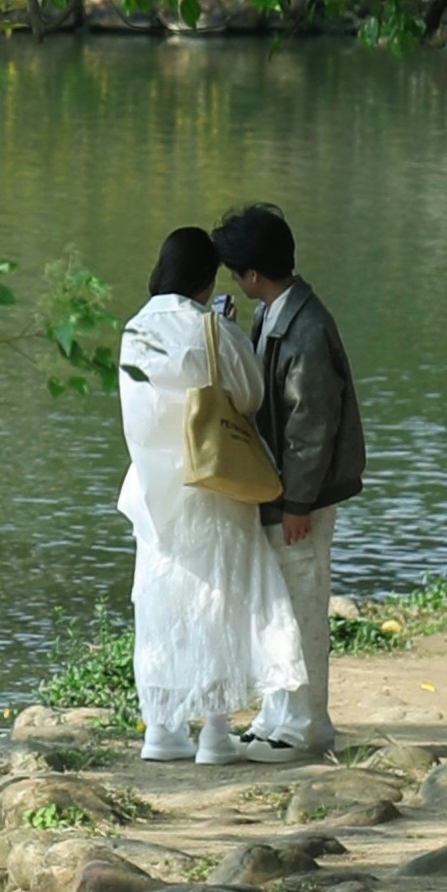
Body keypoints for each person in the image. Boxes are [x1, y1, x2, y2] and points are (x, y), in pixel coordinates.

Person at [112, 223, 267, 764]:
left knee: (160, 604)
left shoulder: (135, 330)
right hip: (211, 484)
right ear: (206, 280)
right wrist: (227, 334)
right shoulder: (212, 331)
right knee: (215, 601)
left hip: (153, 489)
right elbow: (249, 396)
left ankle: (160, 729)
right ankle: (216, 735)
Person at [215, 198, 366, 752]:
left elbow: (312, 426)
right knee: (276, 605)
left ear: (252, 274)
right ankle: (277, 717)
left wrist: (299, 502)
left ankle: (306, 726)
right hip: (283, 489)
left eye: (236, 270)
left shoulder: (304, 330)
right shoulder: (274, 314)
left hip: (301, 494)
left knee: (302, 605)